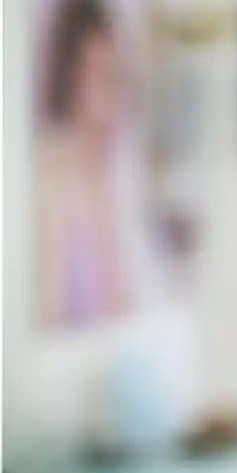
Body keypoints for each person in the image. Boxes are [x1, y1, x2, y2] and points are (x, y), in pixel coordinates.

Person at [36, 0, 128, 328]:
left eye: (115, 78)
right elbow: (42, 322)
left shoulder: (100, 179)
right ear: (69, 75)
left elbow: (119, 313)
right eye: (101, 75)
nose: (113, 98)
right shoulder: (43, 176)